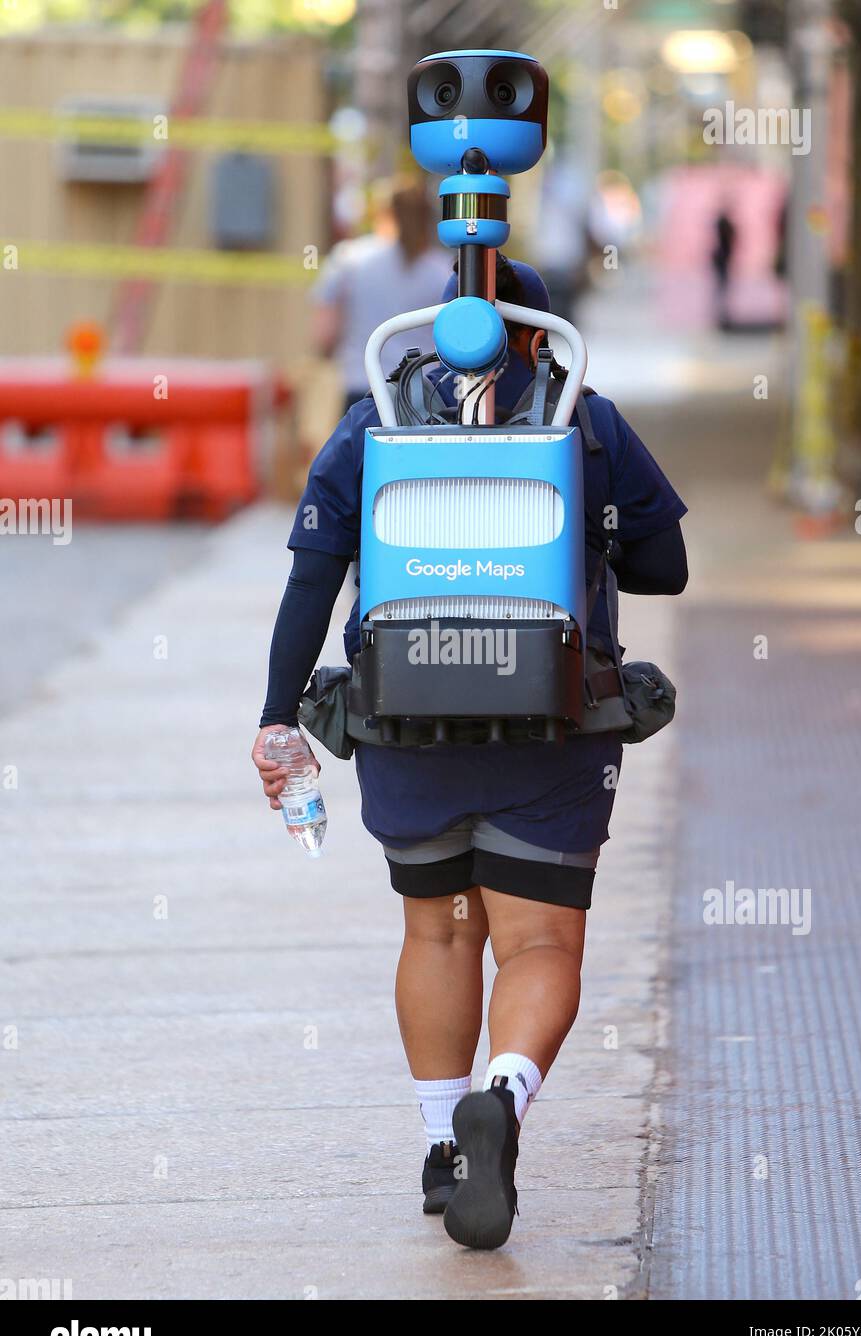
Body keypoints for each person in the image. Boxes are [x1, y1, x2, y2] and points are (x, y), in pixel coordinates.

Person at [253, 256, 688, 1250]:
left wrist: (278, 718)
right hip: (550, 727)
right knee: (536, 945)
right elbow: (664, 564)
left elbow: (311, 584)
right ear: (537, 334)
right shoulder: (587, 420)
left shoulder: (375, 423)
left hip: (406, 724)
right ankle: (503, 1093)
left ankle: (441, 1149)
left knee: (437, 933)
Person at [311, 178, 449, 409]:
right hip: (424, 393)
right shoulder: (445, 270)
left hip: (363, 386)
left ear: (380, 213)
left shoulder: (348, 259)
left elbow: (325, 336)